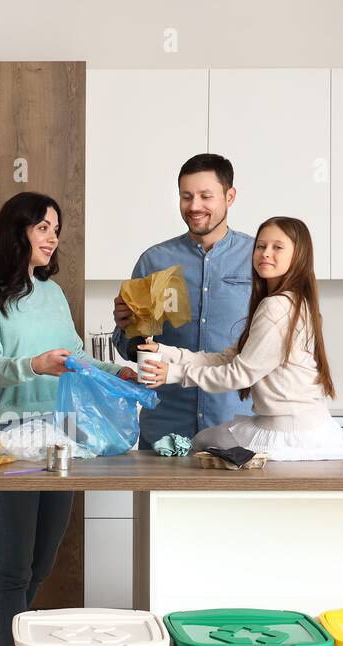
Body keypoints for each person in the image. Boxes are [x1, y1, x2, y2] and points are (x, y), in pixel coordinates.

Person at [0, 191, 137, 646]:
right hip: (5, 442)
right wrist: (33, 364)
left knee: (41, 560)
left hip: (60, 437)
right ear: (17, 232)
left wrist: (116, 373)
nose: (52, 236)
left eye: (56, 227)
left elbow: (76, 356)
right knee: (14, 567)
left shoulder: (53, 293)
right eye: (42, 226)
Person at [138, 216, 343, 461]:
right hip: (304, 427)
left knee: (203, 441)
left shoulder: (277, 307)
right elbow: (225, 358)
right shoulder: (293, 302)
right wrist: (164, 351)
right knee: (205, 441)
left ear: (298, 256)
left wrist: (173, 374)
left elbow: (238, 374)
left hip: (288, 433)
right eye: (261, 246)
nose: (266, 253)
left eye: (278, 247)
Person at [111, 153, 255, 448]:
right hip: (165, 427)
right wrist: (129, 329)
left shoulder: (257, 259)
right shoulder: (154, 261)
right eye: (186, 196)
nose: (194, 206)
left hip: (238, 427)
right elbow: (130, 349)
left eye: (205, 196)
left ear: (230, 196)